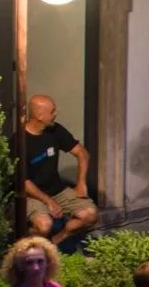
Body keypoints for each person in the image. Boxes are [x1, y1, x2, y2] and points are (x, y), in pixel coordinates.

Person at [23, 95, 98, 242]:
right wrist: (48, 202)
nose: (56, 113)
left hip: (57, 189)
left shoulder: (55, 130)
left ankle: (55, 241)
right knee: (44, 226)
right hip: (32, 194)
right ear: (39, 116)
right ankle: (28, 245)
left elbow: (82, 153)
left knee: (90, 215)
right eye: (52, 111)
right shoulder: (20, 141)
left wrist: (81, 183)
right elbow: (24, 182)